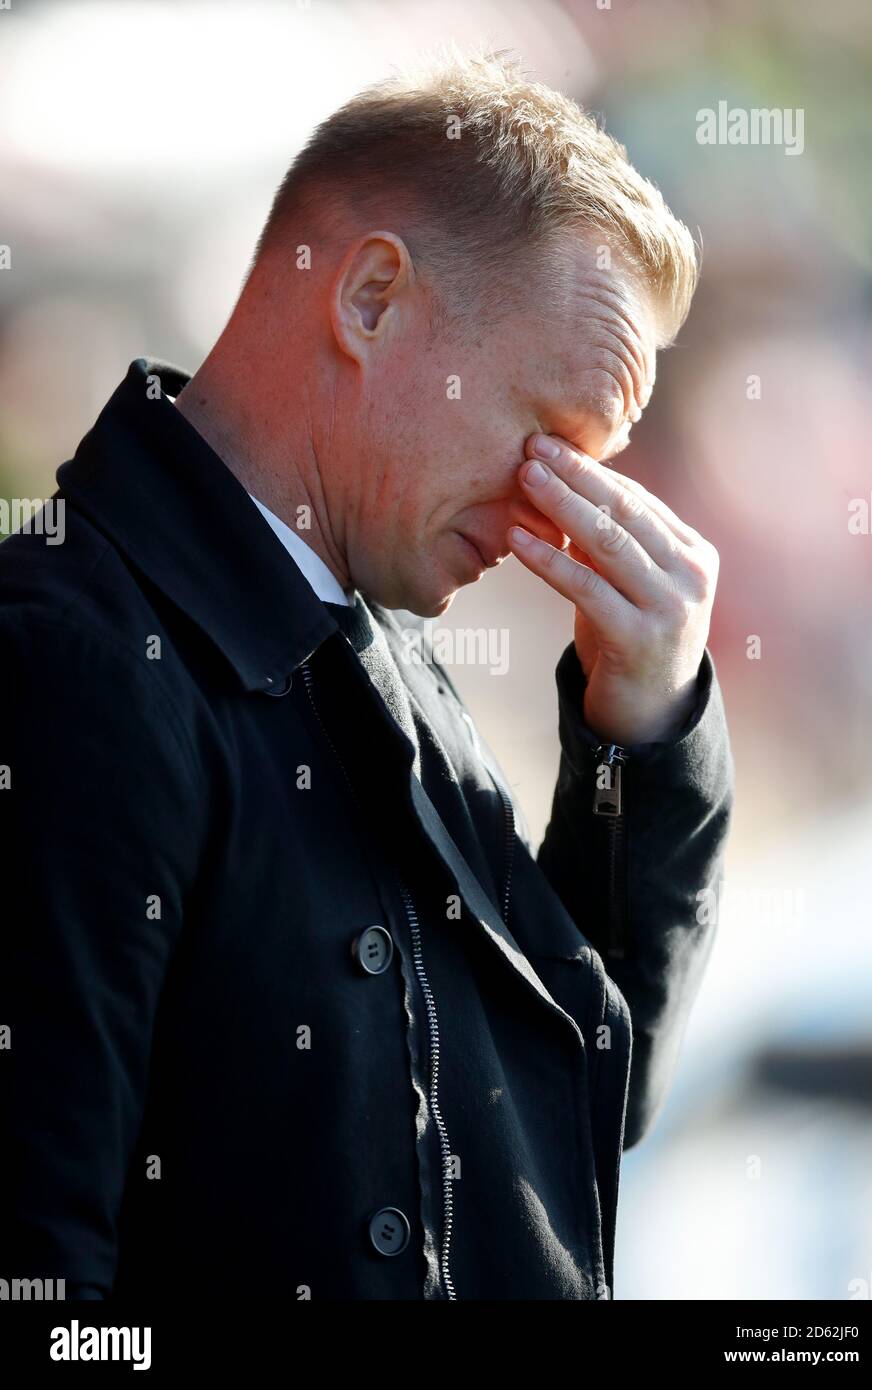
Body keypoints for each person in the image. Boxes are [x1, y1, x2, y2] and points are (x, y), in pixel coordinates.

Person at [0, 48, 734, 1300]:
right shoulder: (66, 655)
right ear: (374, 299)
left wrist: (644, 729)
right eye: (550, 443)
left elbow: (572, 1096)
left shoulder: (367, 633)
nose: (547, 521)